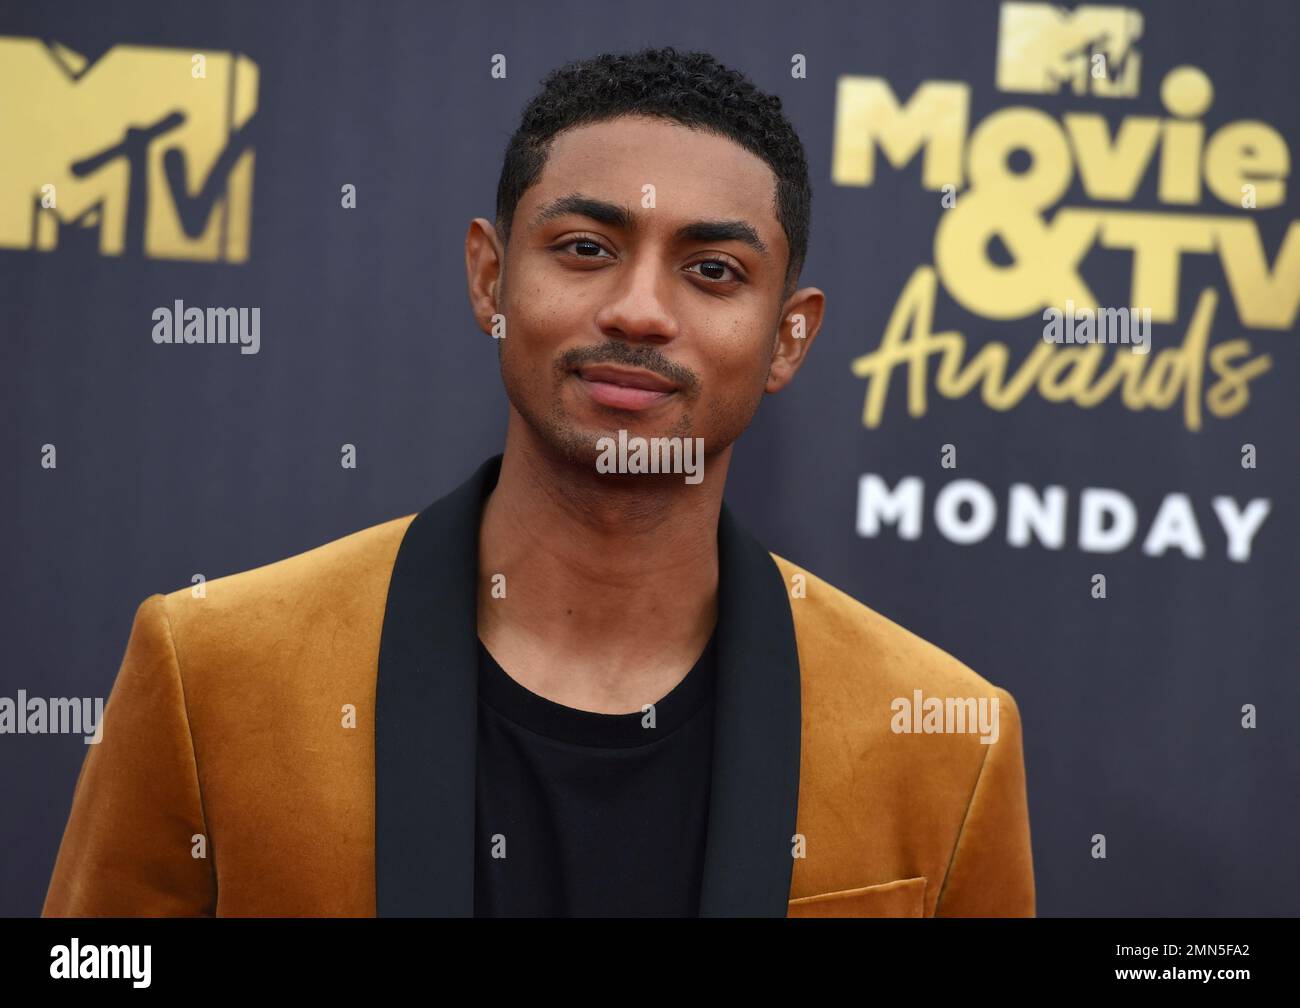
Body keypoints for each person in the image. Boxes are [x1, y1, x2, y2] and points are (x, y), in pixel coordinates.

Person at [43, 46, 1033, 918]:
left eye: (714, 270)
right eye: (586, 250)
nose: (640, 310)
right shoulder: (212, 670)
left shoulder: (946, 740)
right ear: (490, 278)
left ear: (789, 337)